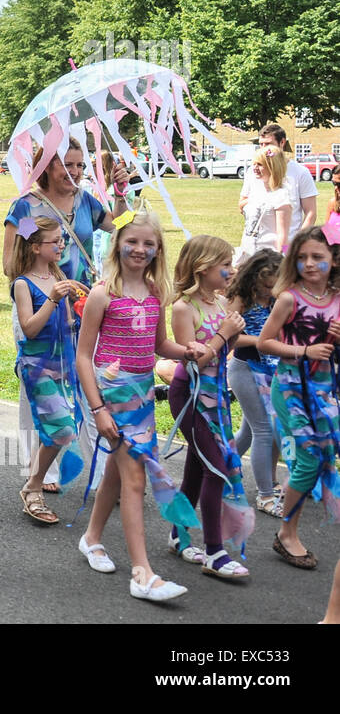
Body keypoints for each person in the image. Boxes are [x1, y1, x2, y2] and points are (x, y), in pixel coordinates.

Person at [74, 211, 200, 602]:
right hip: (110, 396)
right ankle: (142, 573)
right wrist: (98, 409)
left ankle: (92, 538)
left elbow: (160, 346)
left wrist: (189, 352)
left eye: (149, 243)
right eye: (133, 241)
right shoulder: (101, 294)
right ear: (118, 244)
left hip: (143, 396)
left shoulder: (155, 293)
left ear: (158, 249)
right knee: (135, 478)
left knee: (118, 470)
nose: (140, 249)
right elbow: (83, 356)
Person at [2, 136, 127, 494]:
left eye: (79, 166)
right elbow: (13, 261)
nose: (74, 173)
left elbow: (119, 224)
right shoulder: (28, 207)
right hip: (39, 303)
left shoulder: (86, 200)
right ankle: (42, 471)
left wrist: (120, 193)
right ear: (45, 166)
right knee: (38, 384)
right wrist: (47, 275)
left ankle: (103, 472)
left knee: (88, 380)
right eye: (66, 165)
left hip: (81, 308)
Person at [255, 226, 340, 569]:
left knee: (323, 457)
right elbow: (264, 342)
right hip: (291, 386)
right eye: (302, 257)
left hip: (325, 388)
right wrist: (304, 350)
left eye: (317, 257)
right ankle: (287, 534)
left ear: (332, 260)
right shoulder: (289, 297)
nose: (309, 263)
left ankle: (289, 529)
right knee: (307, 459)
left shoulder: (337, 298)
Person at [168, 235, 252, 578]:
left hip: (216, 397)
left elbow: (224, 350)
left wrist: (236, 332)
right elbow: (194, 360)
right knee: (216, 467)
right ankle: (215, 552)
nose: (230, 272)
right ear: (203, 268)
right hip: (189, 395)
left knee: (197, 466)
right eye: (225, 265)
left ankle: (178, 532)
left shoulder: (219, 304)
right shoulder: (183, 308)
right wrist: (223, 334)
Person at [11, 216, 88, 525]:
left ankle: (33, 483)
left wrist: (80, 303)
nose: (61, 244)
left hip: (61, 365)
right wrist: (54, 299)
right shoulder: (23, 284)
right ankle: (33, 485)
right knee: (63, 429)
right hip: (36, 364)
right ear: (34, 247)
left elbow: (68, 323)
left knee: (61, 429)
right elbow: (29, 328)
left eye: (62, 240)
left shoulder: (58, 274)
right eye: (54, 241)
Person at [227, 249, 285, 518]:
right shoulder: (241, 298)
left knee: (250, 432)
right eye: (264, 286)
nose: (268, 292)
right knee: (265, 430)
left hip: (270, 369)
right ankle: (265, 495)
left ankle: (221, 470)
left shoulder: (278, 299)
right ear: (252, 279)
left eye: (274, 286)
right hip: (244, 369)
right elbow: (231, 338)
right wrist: (265, 341)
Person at [238, 123, 317, 239]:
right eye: (261, 144)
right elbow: (241, 205)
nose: (264, 148)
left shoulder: (300, 172)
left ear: (282, 143)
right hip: (256, 245)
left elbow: (311, 213)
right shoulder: (252, 171)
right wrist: (261, 198)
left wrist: (297, 244)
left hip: (287, 245)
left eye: (269, 144)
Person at [235, 146, 294, 264]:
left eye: (260, 165)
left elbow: (283, 235)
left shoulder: (281, 196)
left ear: (272, 167)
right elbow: (242, 207)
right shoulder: (257, 190)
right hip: (248, 252)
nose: (255, 168)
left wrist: (280, 261)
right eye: (254, 164)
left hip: (267, 258)